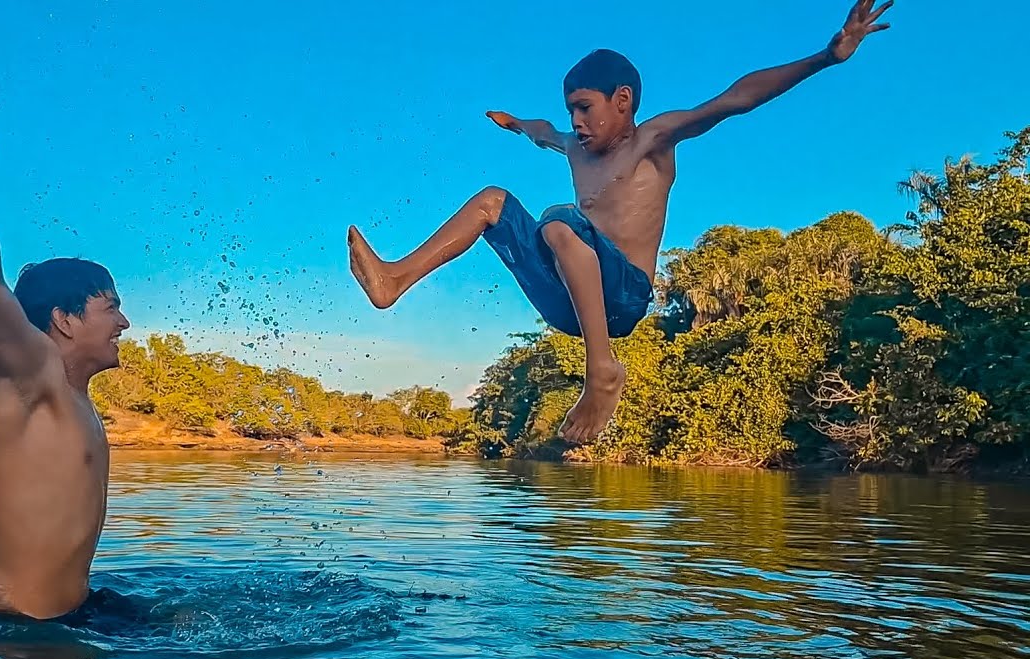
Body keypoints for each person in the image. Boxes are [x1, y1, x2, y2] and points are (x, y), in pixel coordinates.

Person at [348, 0, 893, 444]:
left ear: (624, 100)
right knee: (494, 200)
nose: (577, 123)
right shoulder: (572, 146)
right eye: (571, 112)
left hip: (626, 296)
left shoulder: (653, 139)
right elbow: (542, 130)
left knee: (558, 220)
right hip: (572, 304)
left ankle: (602, 371)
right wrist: (514, 122)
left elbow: (736, 98)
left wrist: (827, 56)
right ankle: (394, 281)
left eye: (585, 108)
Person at [0, 124, 131, 619]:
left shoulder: (78, 400)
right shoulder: (33, 377)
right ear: (63, 319)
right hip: (18, 631)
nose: (124, 322)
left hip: (74, 615)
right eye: (111, 308)